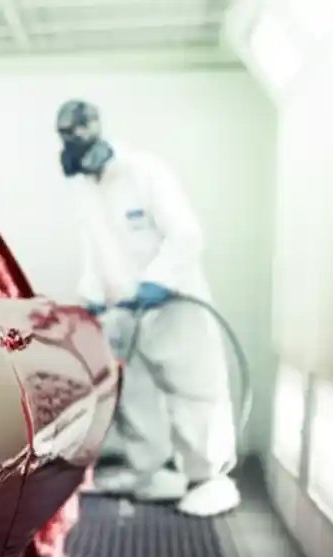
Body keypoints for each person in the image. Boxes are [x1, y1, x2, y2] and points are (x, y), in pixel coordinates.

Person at [56, 98, 240, 517]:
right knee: (134, 391)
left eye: (81, 135)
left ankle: (209, 477)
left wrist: (159, 279)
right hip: (123, 308)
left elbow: (187, 235)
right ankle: (151, 471)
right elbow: (96, 246)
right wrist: (92, 296)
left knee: (193, 389)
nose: (75, 146)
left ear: (97, 131)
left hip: (173, 300)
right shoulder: (84, 183)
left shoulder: (145, 172)